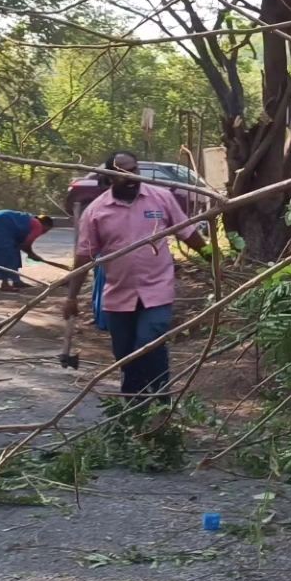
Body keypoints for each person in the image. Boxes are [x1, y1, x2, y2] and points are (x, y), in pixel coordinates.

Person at [63, 152, 205, 398]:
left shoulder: (161, 198)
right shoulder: (96, 212)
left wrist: (215, 259)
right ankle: (133, 409)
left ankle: (161, 401)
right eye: (122, 173)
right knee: (125, 356)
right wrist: (71, 297)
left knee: (148, 343)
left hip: (157, 290)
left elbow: (188, 233)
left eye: (134, 170)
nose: (131, 177)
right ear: (108, 178)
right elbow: (84, 256)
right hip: (119, 295)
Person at [0, 210, 56, 290]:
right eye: (46, 230)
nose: (44, 232)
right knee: (7, 254)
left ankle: (16, 281)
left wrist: (30, 253)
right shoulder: (38, 226)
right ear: (45, 224)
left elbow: (21, 244)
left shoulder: (28, 220)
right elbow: (26, 244)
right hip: (2, 222)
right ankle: (5, 285)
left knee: (13, 251)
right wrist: (32, 254)